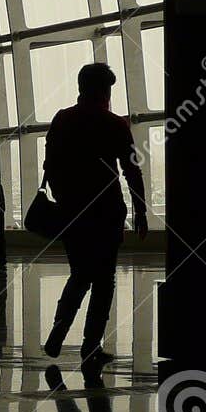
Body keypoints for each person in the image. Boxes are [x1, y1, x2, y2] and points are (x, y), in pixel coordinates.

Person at [41, 63, 147, 366]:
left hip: (72, 212)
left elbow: (50, 166)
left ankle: (58, 333)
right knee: (104, 281)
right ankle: (90, 345)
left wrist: (65, 200)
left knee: (79, 274)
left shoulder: (62, 120)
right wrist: (140, 209)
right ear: (104, 90)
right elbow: (131, 170)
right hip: (106, 213)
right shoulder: (113, 124)